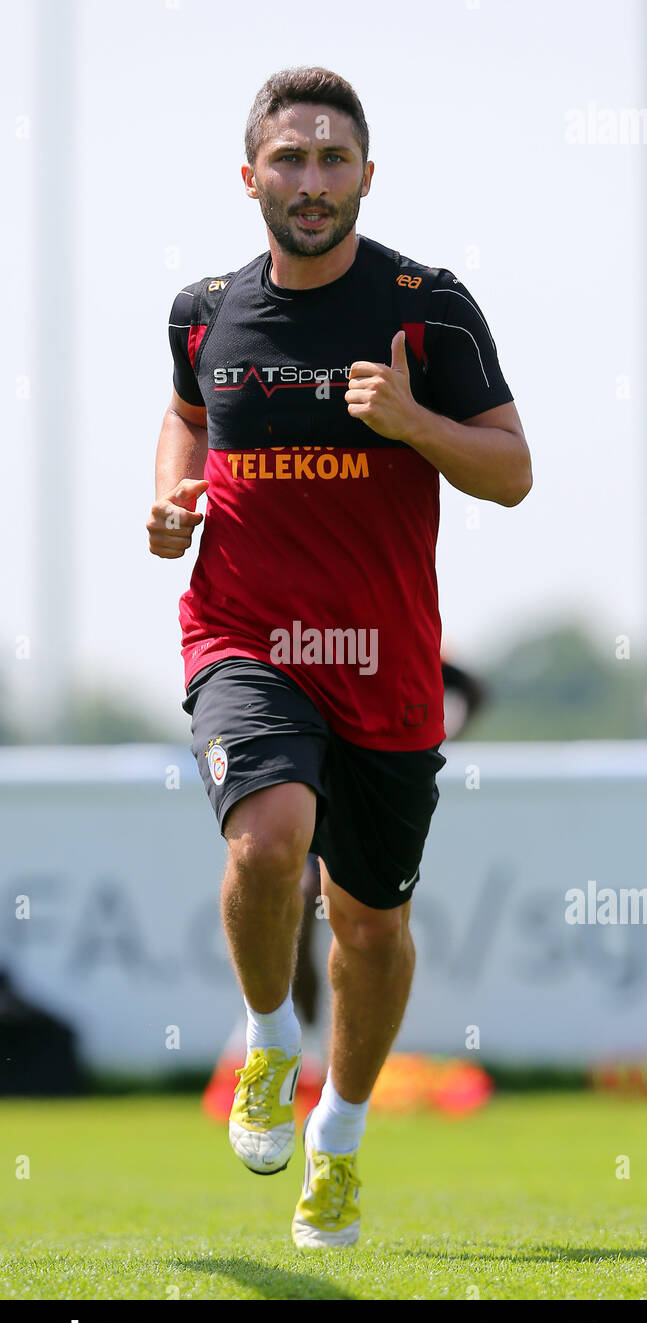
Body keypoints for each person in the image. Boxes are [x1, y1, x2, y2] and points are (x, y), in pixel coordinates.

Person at [147, 66, 532, 1249]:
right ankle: (269, 1042)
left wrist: (411, 422)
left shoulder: (430, 304)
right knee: (267, 842)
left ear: (365, 173)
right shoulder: (202, 309)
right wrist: (170, 497)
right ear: (249, 175)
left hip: (383, 659)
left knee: (367, 924)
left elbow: (510, 472)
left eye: (331, 160)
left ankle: (340, 1134)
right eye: (288, 159)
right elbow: (187, 412)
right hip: (244, 637)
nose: (309, 181)